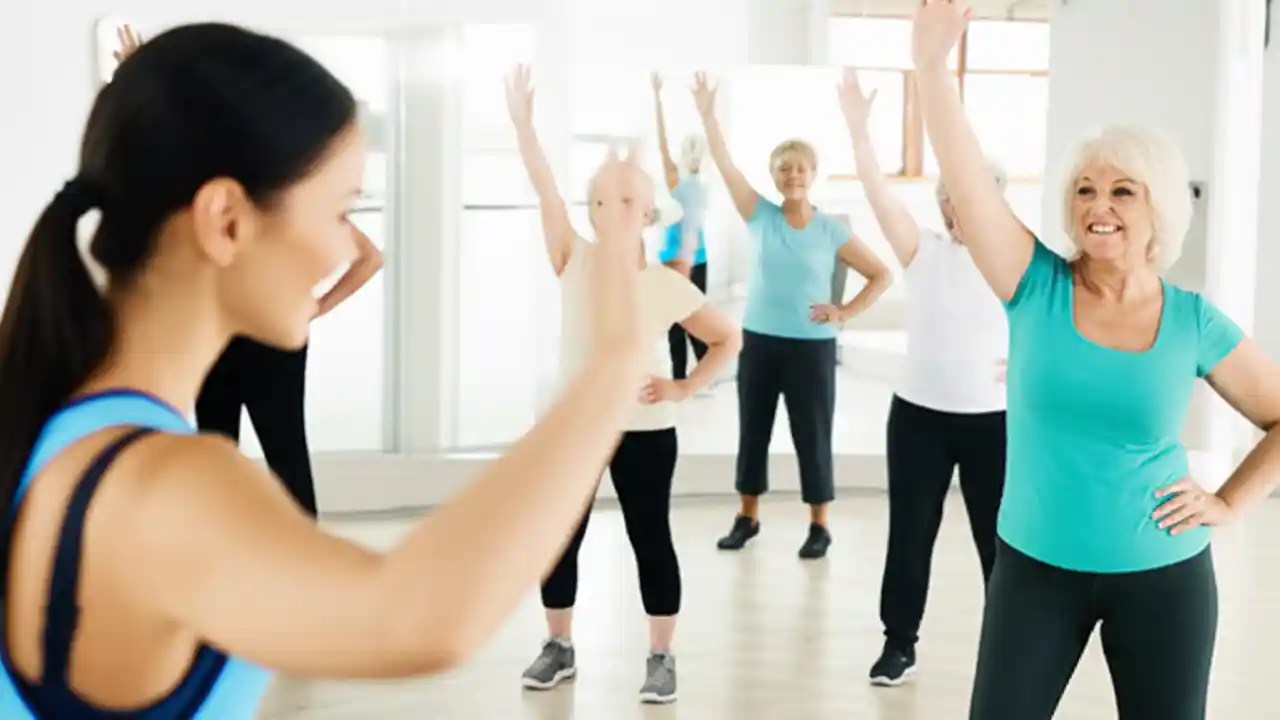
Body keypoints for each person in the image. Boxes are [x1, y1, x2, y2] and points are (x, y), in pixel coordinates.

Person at [0, 24, 651, 719]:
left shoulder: (61, 422)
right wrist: (613, 365)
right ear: (226, 220)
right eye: (341, 210)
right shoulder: (166, 484)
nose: (345, 244)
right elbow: (422, 618)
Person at [912, 3, 1280, 718]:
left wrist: (1230, 501)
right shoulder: (1033, 286)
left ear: (1159, 208)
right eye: (1084, 189)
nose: (1098, 206)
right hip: (1034, 574)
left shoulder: (1194, 321)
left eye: (1121, 190)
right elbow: (968, 181)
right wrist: (931, 68)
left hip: (1164, 576)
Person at [505, 65, 742, 704]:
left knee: (650, 539)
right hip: (576, 431)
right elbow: (545, 189)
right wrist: (525, 126)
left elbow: (726, 339)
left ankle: (662, 657)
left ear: (646, 215)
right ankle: (559, 645)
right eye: (599, 201)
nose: (609, 211)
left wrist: (684, 387)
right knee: (560, 536)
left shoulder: (666, 282)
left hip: (645, 432)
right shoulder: (572, 258)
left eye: (624, 202)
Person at [108, 27, 384, 518]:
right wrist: (140, 89)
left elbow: (370, 257)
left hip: (272, 346)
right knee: (217, 449)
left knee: (284, 454)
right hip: (223, 339)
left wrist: (317, 307)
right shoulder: (222, 194)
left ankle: (300, 559)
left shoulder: (285, 194)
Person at [836, 67, 1009, 687]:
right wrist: (859, 132)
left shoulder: (1018, 259)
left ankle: (1009, 650)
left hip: (994, 423)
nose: (960, 210)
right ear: (942, 208)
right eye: (951, 200)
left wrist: (1033, 364)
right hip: (919, 421)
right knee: (910, 535)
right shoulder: (922, 250)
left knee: (1000, 545)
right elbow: (879, 193)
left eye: (973, 197)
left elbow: (1063, 325)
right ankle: (898, 643)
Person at [692, 71, 894, 559]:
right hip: (760, 341)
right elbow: (724, 165)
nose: (793, 176)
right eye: (784, 169)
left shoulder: (829, 230)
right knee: (753, 429)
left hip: (811, 346)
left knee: (812, 433)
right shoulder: (759, 214)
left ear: (812, 173)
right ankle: (747, 516)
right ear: (775, 175)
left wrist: (843, 312)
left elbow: (880, 274)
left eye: (800, 169)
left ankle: (819, 525)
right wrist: (707, 116)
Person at [651, 72, 712, 383]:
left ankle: (701, 376)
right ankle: (679, 377)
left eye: (699, 151)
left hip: (696, 259)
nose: (696, 156)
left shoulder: (701, 185)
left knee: (693, 318)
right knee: (676, 321)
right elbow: (661, 144)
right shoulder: (677, 179)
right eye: (692, 150)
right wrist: (657, 98)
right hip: (675, 260)